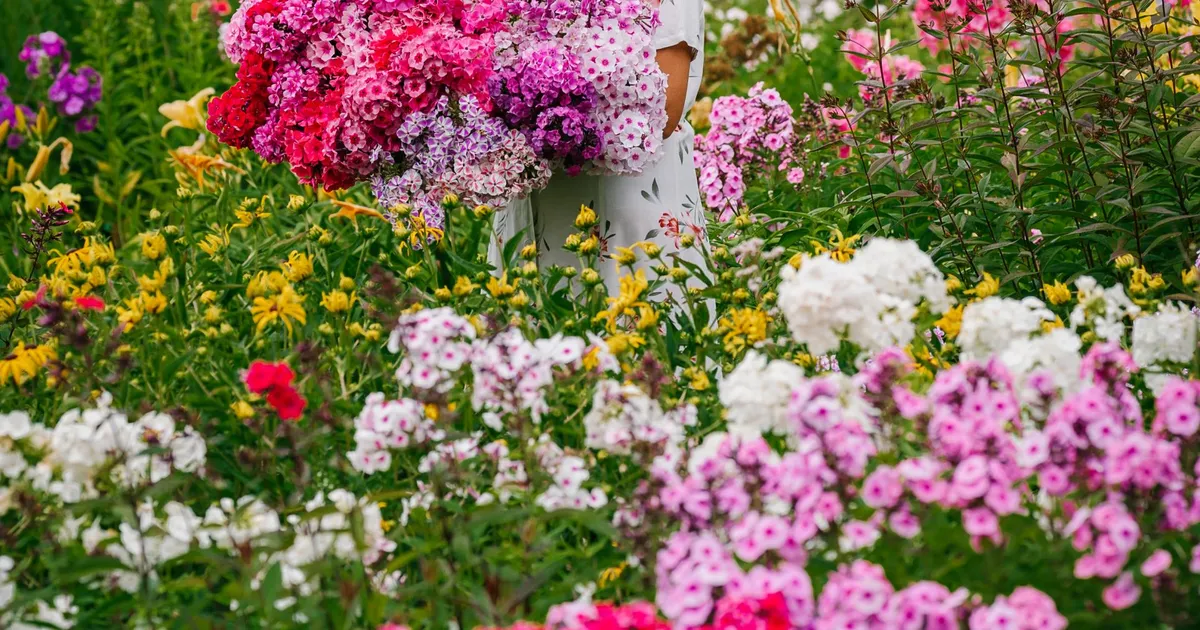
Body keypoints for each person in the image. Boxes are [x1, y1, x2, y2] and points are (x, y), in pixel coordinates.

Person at [489, 0, 707, 297]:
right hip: (540, 189)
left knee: (634, 316)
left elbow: (664, 114)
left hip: (627, 196)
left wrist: (561, 125)